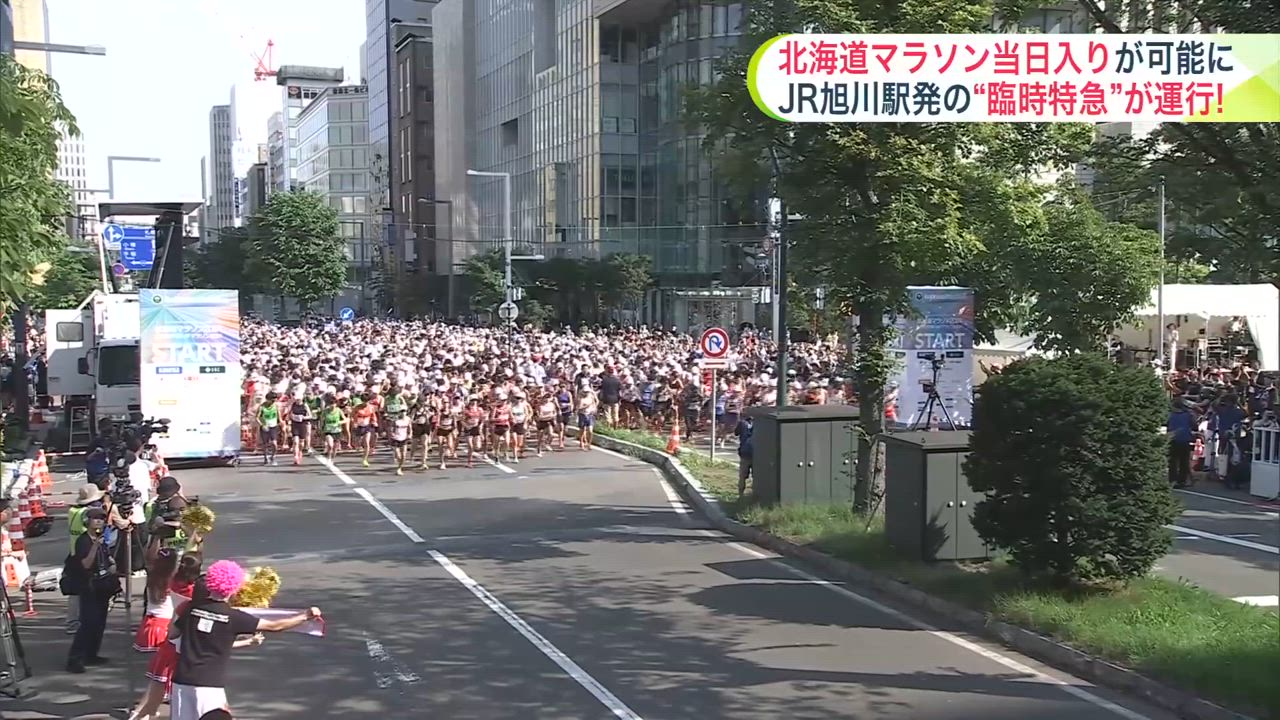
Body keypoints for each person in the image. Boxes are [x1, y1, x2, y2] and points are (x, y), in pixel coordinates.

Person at [168, 560, 321, 720]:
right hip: (210, 685)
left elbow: (172, 634)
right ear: (234, 588)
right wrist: (306, 615)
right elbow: (275, 626)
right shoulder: (234, 617)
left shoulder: (192, 609)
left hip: (181, 681)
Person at [67, 507, 119, 673]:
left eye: (101, 519)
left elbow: (106, 559)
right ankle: (75, 659)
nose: (99, 521)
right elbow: (85, 564)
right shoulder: (83, 541)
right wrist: (96, 546)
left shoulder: (101, 539)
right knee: (88, 623)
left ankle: (91, 654)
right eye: (95, 518)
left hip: (102, 585)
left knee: (99, 623)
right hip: (88, 585)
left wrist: (111, 563)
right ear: (86, 521)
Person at [734, 414, 754, 498]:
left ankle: (740, 495)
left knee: (742, 476)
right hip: (757, 454)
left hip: (744, 453)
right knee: (756, 476)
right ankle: (754, 495)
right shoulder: (760, 424)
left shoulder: (742, 423)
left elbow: (736, 433)